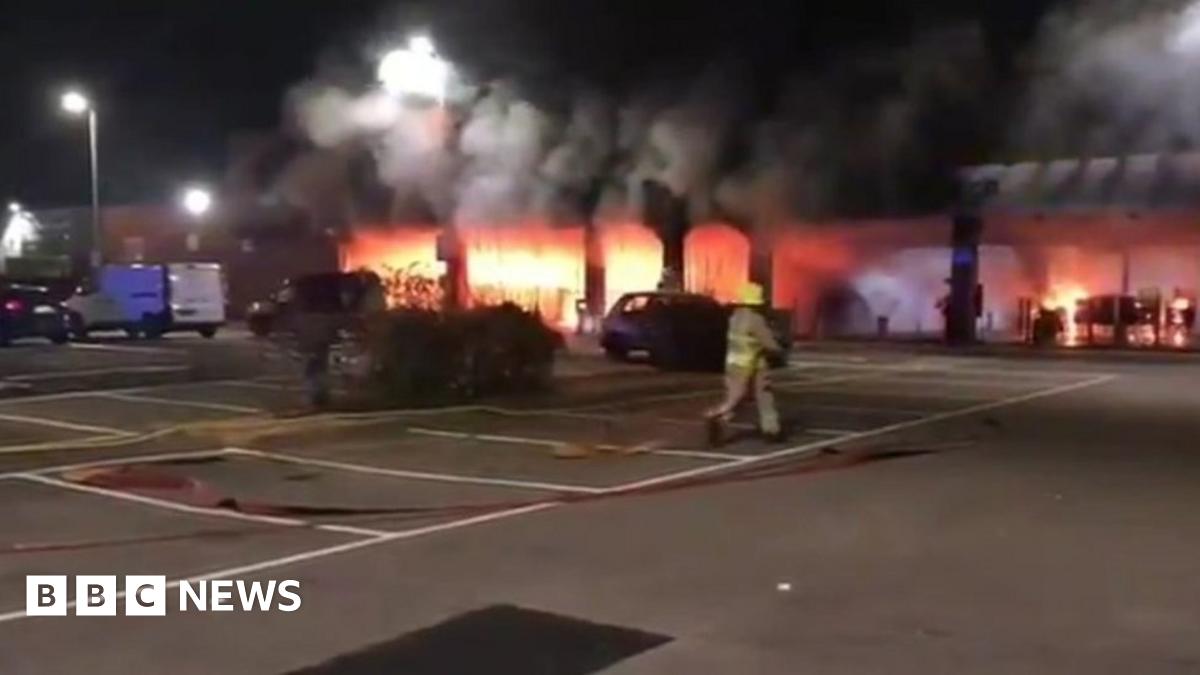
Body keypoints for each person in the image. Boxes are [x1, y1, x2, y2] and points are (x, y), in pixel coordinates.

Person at [705, 282, 784, 446]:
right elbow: (769, 343)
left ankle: (722, 421)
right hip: (752, 364)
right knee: (761, 397)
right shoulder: (756, 320)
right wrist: (779, 348)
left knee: (740, 397)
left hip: (734, 364)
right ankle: (716, 415)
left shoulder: (735, 317)